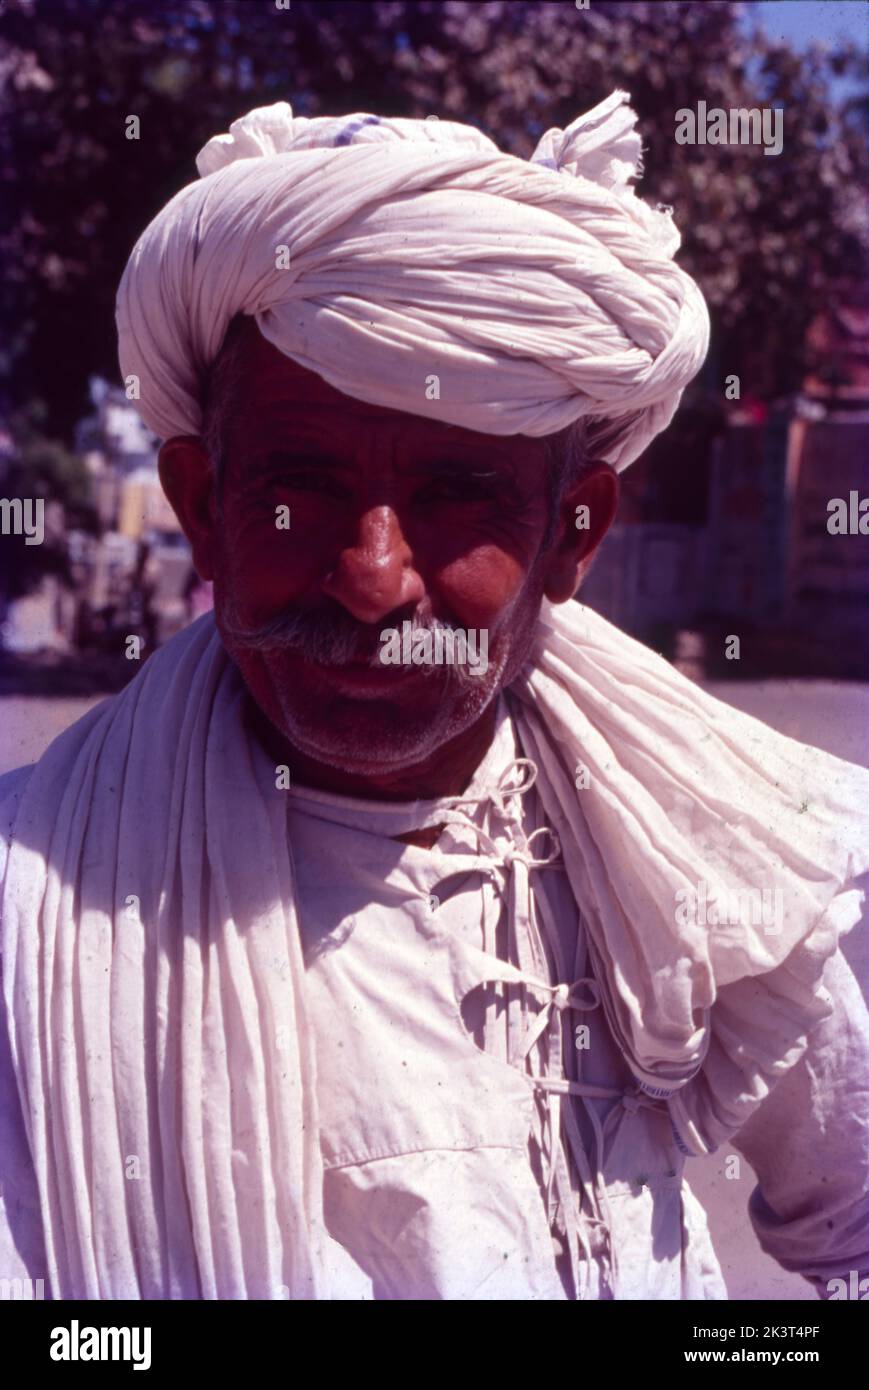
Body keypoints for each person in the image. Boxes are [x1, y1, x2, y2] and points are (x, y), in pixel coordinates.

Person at [1, 93, 867, 1301]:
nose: (370, 578)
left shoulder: (705, 845)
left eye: (458, 493)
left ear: (573, 533)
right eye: (298, 486)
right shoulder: (32, 908)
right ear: (203, 507)